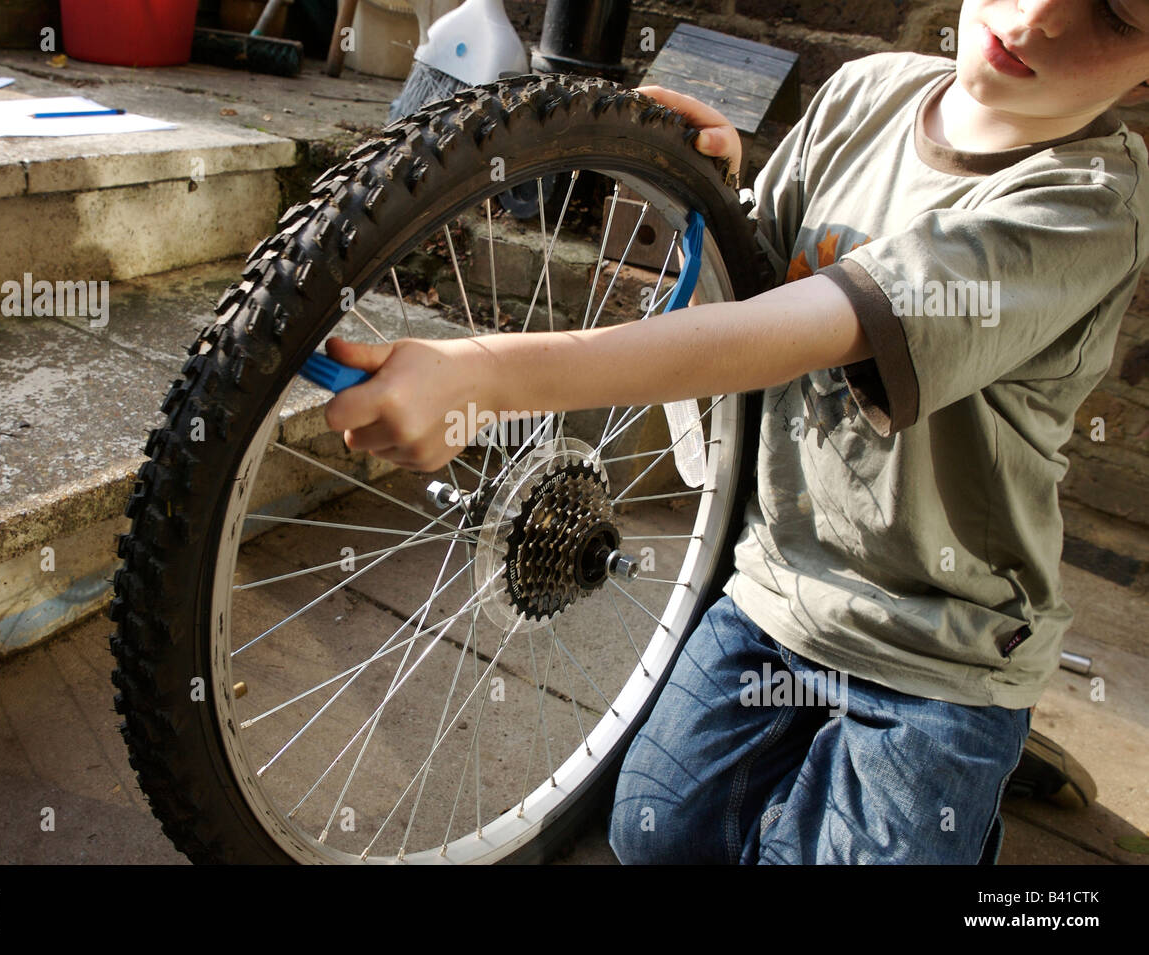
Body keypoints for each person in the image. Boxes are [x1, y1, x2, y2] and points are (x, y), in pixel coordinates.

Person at [319, 0, 1149, 863]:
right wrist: (719, 198)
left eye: (1119, 13)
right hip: (778, 587)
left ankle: (967, 792)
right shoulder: (864, 94)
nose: (1043, 12)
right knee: (653, 833)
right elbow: (757, 281)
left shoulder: (1092, 202)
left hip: (942, 648)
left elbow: (794, 329)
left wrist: (486, 375)